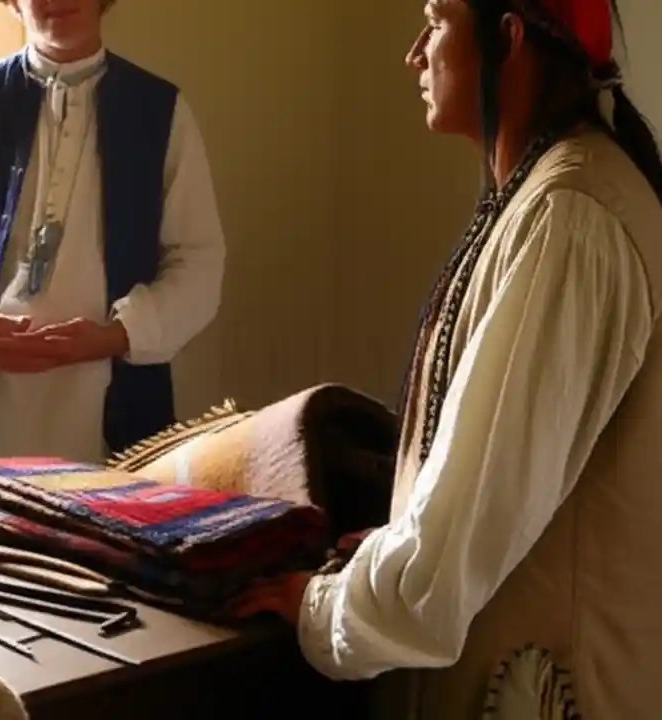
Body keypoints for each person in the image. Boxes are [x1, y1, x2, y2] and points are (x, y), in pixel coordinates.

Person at [235, 1, 662, 717]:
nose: (415, 54)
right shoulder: (553, 194)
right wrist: (395, 547)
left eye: (435, 21)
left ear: (510, 36)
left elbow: (447, 561)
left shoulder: (571, 217)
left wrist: (324, 607)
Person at [0, 0, 226, 502]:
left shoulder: (159, 111)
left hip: (110, 403)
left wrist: (114, 337)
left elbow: (197, 261)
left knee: (109, 565)